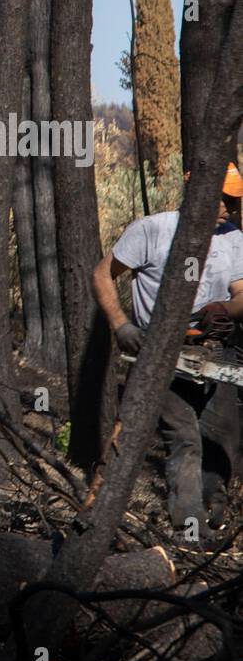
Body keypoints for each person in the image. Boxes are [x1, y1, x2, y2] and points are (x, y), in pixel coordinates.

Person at [92, 165, 243, 538]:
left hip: (213, 351)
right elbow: (100, 274)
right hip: (160, 351)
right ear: (198, 191)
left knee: (222, 436)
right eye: (223, 198)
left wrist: (224, 310)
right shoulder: (152, 230)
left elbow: (241, 292)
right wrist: (121, 325)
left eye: (233, 199)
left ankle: (215, 515)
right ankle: (190, 529)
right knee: (184, 438)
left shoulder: (233, 237)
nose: (228, 206)